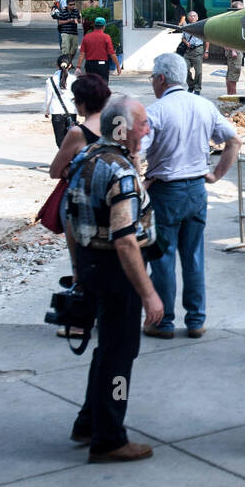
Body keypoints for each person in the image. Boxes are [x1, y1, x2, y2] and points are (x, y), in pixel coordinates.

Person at [65, 95, 163, 463]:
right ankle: (110, 438)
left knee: (106, 350)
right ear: (122, 129)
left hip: (92, 266)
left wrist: (79, 268)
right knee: (120, 356)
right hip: (118, 274)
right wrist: (149, 293)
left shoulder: (85, 159)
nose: (148, 129)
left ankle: (89, 421)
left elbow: (70, 222)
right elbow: (125, 241)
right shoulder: (119, 172)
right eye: (142, 124)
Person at [140, 53, 240, 340]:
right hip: (196, 189)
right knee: (194, 257)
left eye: (152, 79)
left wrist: (142, 183)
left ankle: (163, 321)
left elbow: (136, 151)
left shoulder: (156, 111)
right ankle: (196, 319)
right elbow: (234, 140)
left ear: (161, 79)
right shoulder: (204, 106)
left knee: (164, 258)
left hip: (166, 191)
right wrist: (216, 174)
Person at [48, 73, 111, 342]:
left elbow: (54, 170)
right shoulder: (117, 127)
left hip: (81, 206)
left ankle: (79, 323)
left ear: (81, 104)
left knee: (81, 264)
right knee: (109, 262)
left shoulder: (77, 133)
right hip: (112, 205)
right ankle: (107, 316)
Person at [43, 56, 80, 148]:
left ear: (57, 65)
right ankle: (70, 159)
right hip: (71, 111)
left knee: (60, 140)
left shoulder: (50, 81)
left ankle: (64, 158)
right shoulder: (74, 79)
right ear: (70, 65)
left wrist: (46, 111)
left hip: (56, 112)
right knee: (71, 139)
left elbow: (48, 98)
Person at [77, 16, 120, 83]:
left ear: (94, 26)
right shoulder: (106, 37)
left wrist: (78, 67)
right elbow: (112, 54)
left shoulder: (87, 37)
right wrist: (118, 66)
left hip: (90, 65)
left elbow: (82, 54)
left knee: (90, 85)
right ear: (104, 26)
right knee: (103, 85)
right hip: (102, 65)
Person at [178, 11, 208, 94]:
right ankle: (191, 85)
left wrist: (206, 51)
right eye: (190, 16)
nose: (192, 17)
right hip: (187, 51)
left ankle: (197, 88)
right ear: (188, 18)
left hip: (198, 50)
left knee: (198, 71)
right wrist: (186, 42)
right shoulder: (186, 27)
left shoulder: (201, 27)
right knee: (185, 69)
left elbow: (207, 40)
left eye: (194, 16)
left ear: (197, 18)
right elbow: (183, 38)